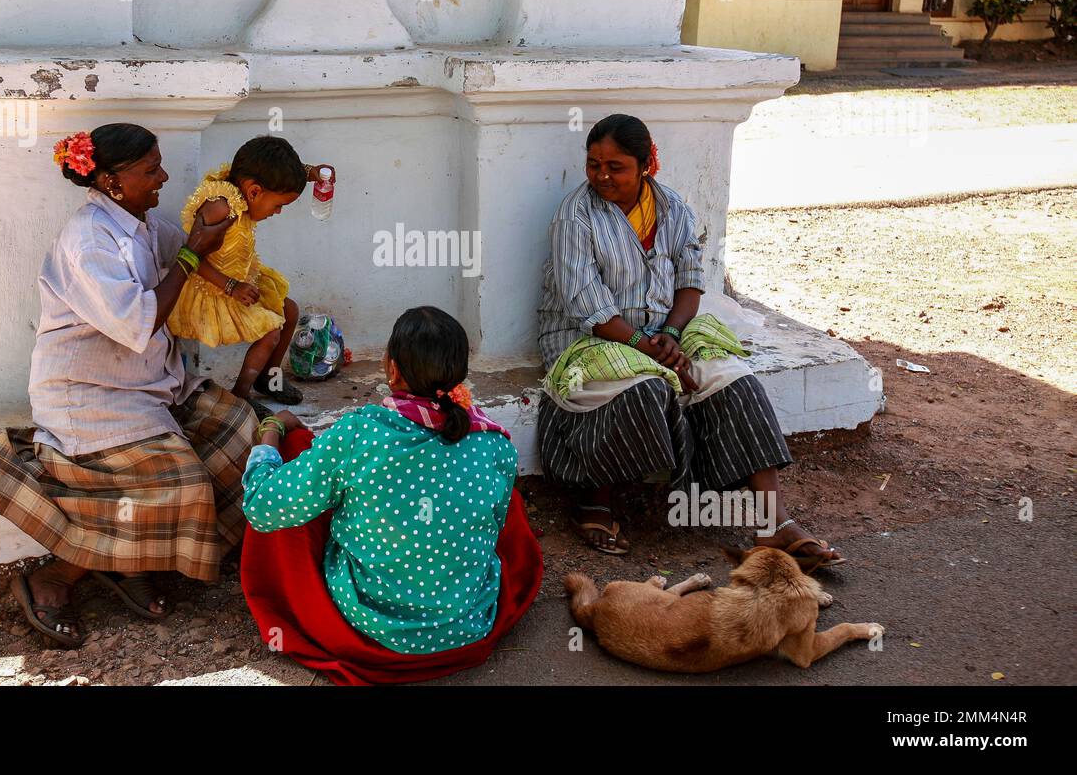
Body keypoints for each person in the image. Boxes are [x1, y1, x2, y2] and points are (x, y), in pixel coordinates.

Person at [0, 123, 256, 648]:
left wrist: (235, 259)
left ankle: (127, 562)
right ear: (110, 181)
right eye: (151, 170)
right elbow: (138, 322)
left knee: (240, 430)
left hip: (149, 388)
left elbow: (196, 267)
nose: (164, 177)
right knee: (182, 476)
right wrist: (196, 246)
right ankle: (56, 576)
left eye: (160, 164)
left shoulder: (144, 225)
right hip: (89, 396)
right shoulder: (87, 242)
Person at [536, 113, 844, 565]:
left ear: (646, 165)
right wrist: (650, 347)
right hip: (587, 339)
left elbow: (690, 280)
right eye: (593, 164)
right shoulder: (575, 216)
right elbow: (590, 306)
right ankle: (594, 499)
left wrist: (673, 335)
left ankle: (774, 523)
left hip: (665, 333)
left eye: (615, 166)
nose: (602, 175)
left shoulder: (673, 208)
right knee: (643, 387)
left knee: (732, 377)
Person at [236, 306, 542, 684]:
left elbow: (262, 508)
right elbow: (494, 529)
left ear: (393, 369)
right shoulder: (493, 443)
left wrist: (271, 433)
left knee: (298, 449)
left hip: (372, 625)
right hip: (466, 625)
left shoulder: (359, 434)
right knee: (498, 495)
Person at [167, 136, 332, 417]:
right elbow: (191, 257)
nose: (278, 212)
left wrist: (310, 172)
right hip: (213, 288)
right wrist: (231, 286)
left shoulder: (243, 184)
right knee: (270, 332)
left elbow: (275, 169)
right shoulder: (221, 208)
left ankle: (268, 378)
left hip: (241, 279)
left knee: (289, 311)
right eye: (278, 205)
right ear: (254, 192)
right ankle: (240, 398)